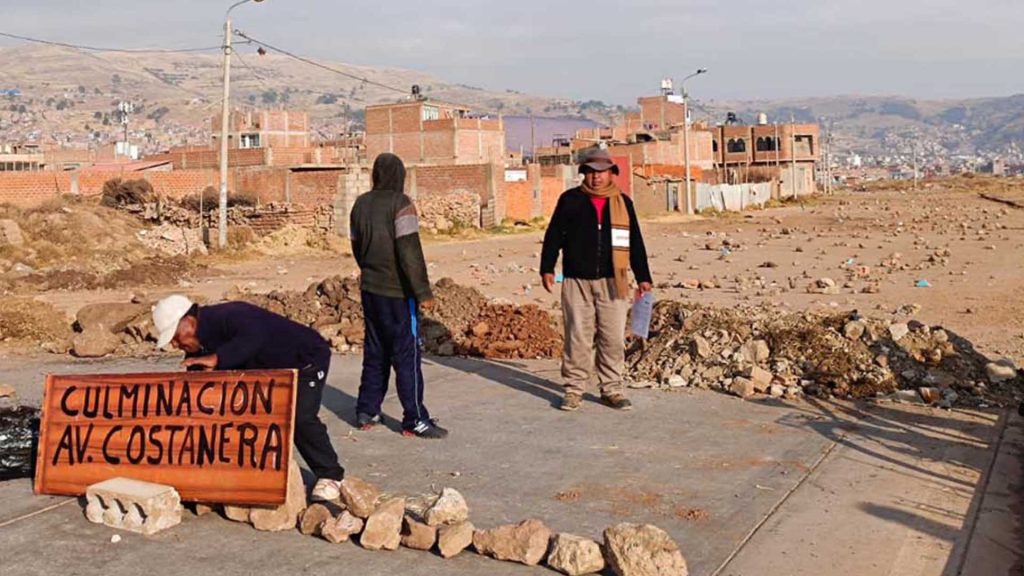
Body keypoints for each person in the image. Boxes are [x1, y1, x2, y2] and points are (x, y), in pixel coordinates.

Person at [151, 295, 346, 501]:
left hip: (305, 360)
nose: (174, 344)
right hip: (269, 371)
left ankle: (330, 475)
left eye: (175, 336)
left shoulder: (231, 315)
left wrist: (218, 359)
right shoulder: (200, 343)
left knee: (299, 417)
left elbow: (253, 337)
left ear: (189, 322)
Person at [540, 149, 653, 412]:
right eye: (590, 172)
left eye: (601, 172)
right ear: (584, 174)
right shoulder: (570, 200)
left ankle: (611, 389)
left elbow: (635, 241)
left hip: (614, 281)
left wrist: (643, 276)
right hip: (577, 281)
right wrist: (547, 268)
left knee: (612, 337)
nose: (596, 178)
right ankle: (573, 389)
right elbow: (554, 235)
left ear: (611, 173)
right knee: (577, 336)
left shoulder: (623, 203)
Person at [349, 153, 448, 439]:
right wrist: (422, 291)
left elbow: (356, 246)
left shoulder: (360, 204)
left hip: (370, 290)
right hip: (398, 294)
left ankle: (366, 410)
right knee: (406, 356)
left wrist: (370, 270)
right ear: (400, 175)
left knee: (375, 351)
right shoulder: (401, 204)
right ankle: (415, 418)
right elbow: (409, 252)